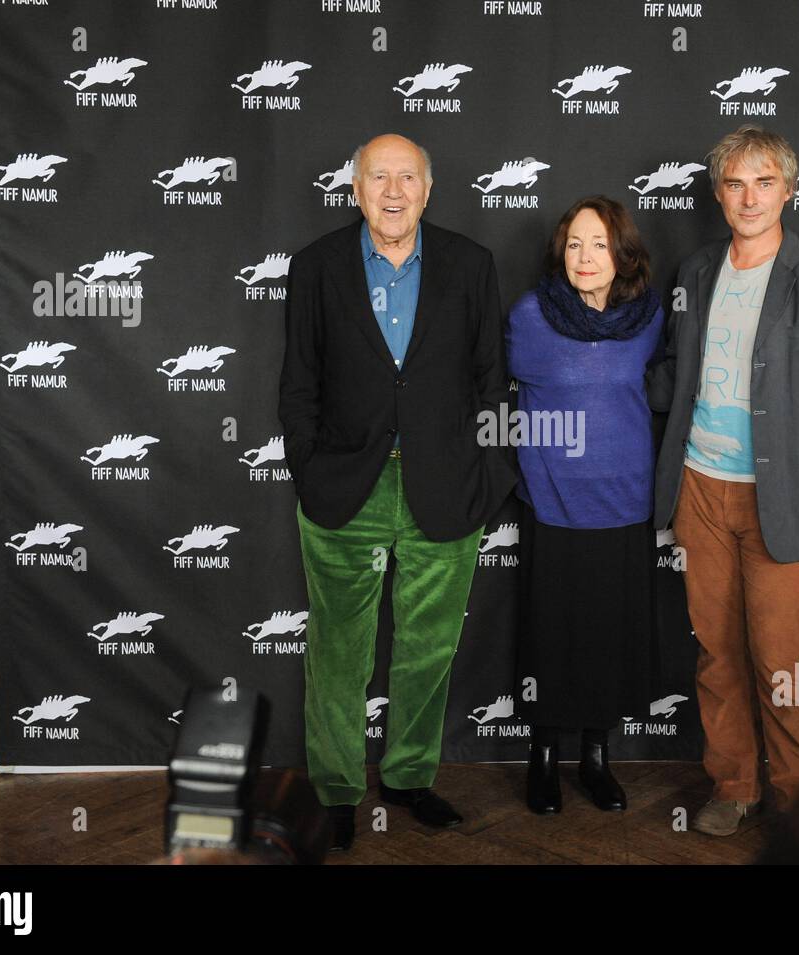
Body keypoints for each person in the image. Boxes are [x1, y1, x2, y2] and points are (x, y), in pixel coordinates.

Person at [278, 133, 516, 851]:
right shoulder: (316, 266)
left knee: (428, 646)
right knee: (338, 649)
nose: (392, 190)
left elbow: (491, 381)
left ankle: (411, 776)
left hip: (445, 489)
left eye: (405, 177)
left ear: (427, 189)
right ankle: (336, 790)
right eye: (377, 176)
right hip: (344, 487)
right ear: (355, 189)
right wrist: (310, 468)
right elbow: (299, 383)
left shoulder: (470, 265)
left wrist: (490, 475)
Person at [647, 125, 799, 835]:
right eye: (736, 183)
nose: (749, 197)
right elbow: (671, 375)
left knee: (784, 660)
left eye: (764, 182)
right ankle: (734, 782)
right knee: (718, 651)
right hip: (701, 489)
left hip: (792, 498)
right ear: (718, 194)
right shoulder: (695, 271)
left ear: (789, 188)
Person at [507, 196, 663, 814]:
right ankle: (542, 756)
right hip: (554, 503)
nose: (585, 256)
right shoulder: (530, 316)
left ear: (622, 253)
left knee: (608, 637)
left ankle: (595, 758)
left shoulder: (648, 319)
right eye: (574, 243)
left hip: (625, 500)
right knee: (554, 638)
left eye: (599, 243)